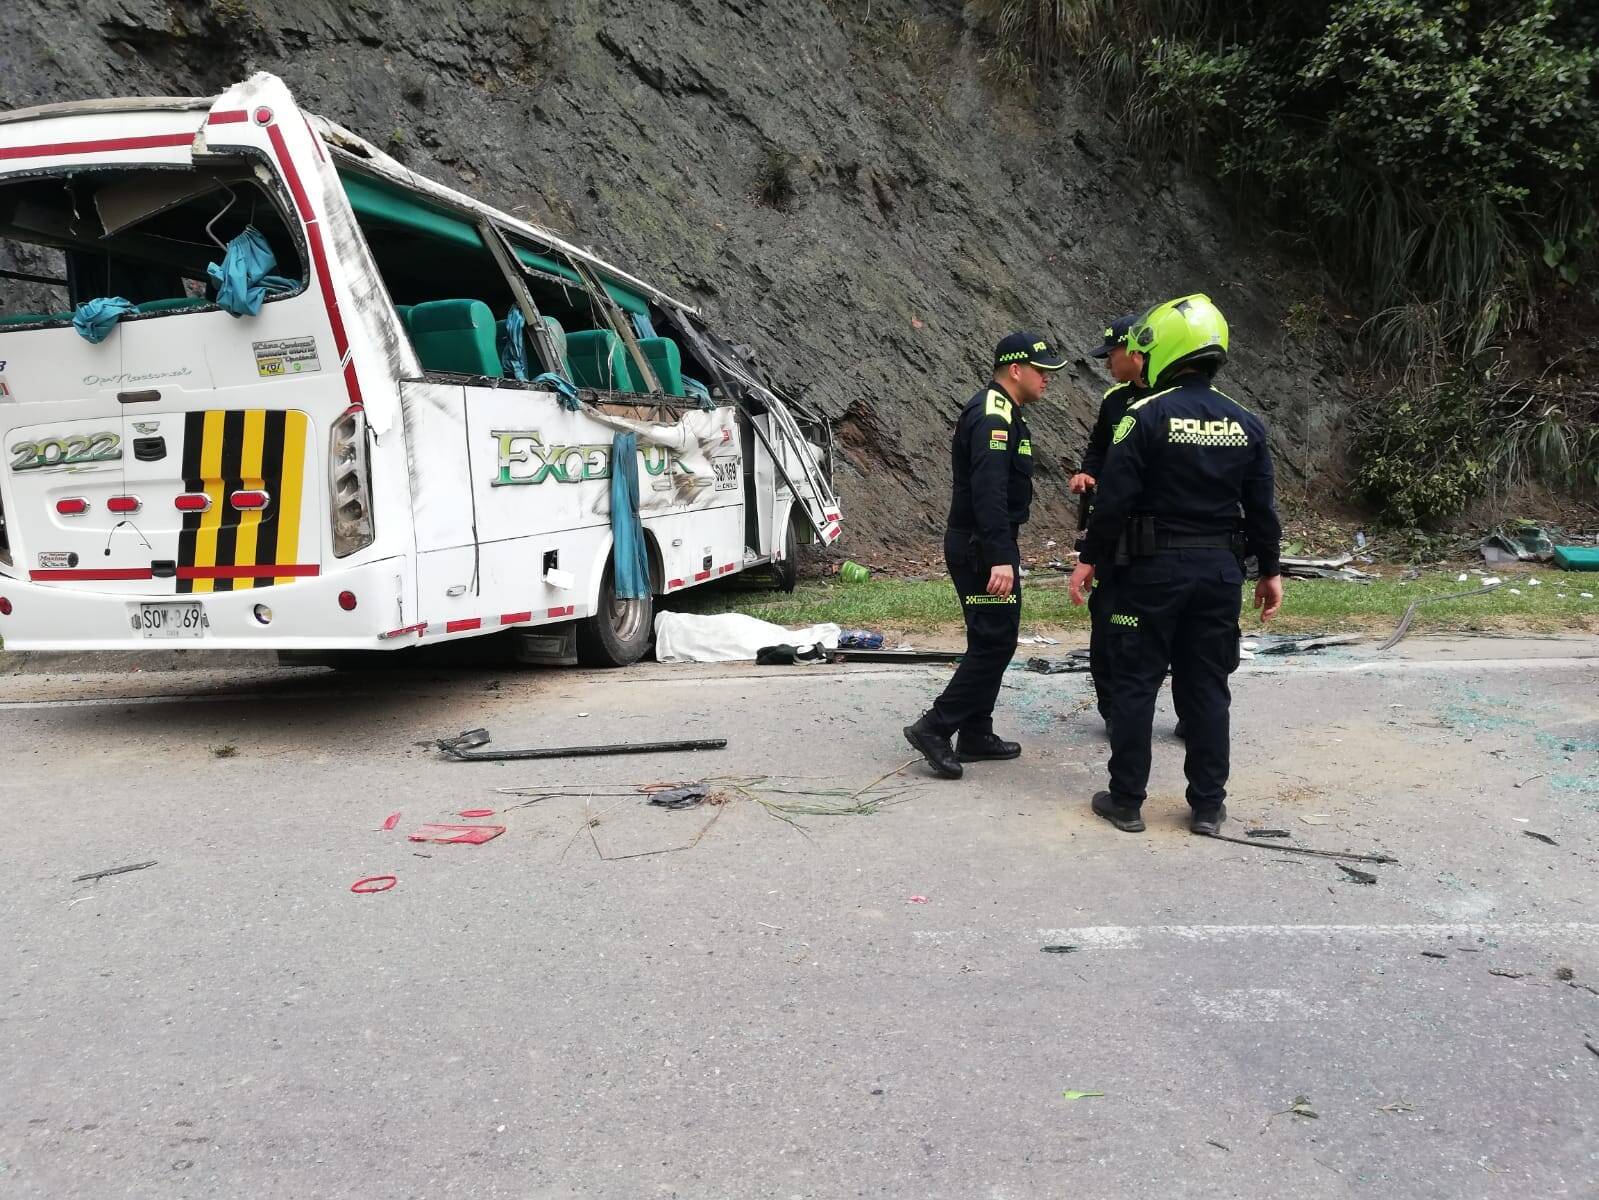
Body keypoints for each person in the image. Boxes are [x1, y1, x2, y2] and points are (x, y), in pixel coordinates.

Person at [1067, 294, 1283, 834]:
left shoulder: (1143, 416)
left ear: (1166, 348)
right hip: (1219, 573)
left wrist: (1089, 560)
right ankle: (1207, 806)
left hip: (1151, 570)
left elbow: (1114, 500)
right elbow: (1261, 509)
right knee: (1207, 687)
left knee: (1136, 683)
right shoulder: (1247, 423)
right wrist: (1270, 570)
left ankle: (1126, 800)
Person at [904, 331, 1068, 779]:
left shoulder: (1006, 412)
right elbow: (988, 490)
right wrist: (1000, 556)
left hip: (986, 543)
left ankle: (976, 733)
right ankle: (934, 727)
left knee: (990, 640)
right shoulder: (993, 415)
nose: (1047, 378)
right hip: (981, 548)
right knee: (996, 641)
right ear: (1015, 369)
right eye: (1041, 370)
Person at [1069, 314, 1151, 733]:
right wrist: (1088, 472)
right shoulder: (1114, 400)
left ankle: (1192, 714)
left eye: (1111, 354)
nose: (1106, 363)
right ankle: (1114, 712)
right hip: (1115, 531)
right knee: (1107, 621)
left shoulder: (1172, 398)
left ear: (1134, 352)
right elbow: (1098, 449)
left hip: (1161, 534)